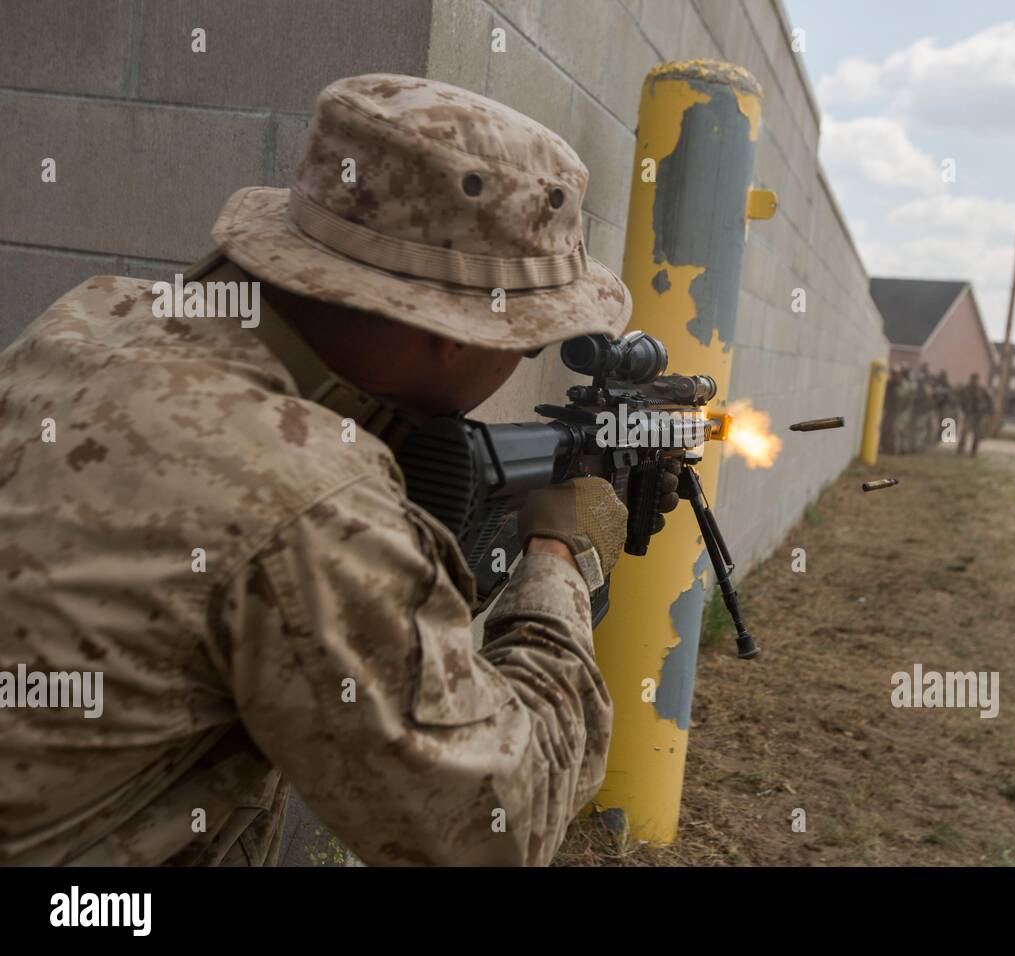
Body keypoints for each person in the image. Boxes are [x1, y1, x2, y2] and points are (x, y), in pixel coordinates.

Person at [0, 74, 664, 866]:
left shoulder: (97, 314)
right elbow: (499, 827)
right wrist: (560, 561)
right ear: (454, 336)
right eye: (527, 342)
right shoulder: (308, 500)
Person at [957, 372, 994, 457]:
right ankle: (960, 449)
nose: (974, 381)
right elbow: (959, 399)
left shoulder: (981, 390)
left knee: (977, 434)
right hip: (969, 414)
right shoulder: (966, 389)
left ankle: (973, 452)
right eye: (973, 379)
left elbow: (989, 401)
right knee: (964, 432)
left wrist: (989, 412)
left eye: (976, 379)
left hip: (979, 415)